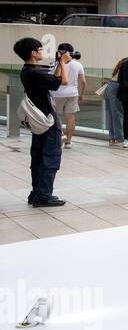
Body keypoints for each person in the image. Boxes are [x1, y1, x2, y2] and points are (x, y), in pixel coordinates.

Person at [14, 37, 69, 207]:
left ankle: (37, 193)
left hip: (39, 121)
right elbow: (63, 82)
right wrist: (64, 63)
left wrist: (59, 64)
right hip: (47, 121)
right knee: (50, 157)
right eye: (39, 50)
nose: (42, 52)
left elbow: (52, 83)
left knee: (38, 157)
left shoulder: (28, 71)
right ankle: (44, 195)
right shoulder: (36, 72)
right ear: (33, 53)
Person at [51, 43, 85, 149]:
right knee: (70, 117)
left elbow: (53, 78)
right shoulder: (78, 65)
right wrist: (81, 94)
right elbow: (83, 81)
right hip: (72, 94)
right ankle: (68, 142)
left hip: (57, 93)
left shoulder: (55, 64)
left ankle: (61, 135)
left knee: (55, 117)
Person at [103, 53, 128, 146]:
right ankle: (118, 138)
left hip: (111, 86)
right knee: (117, 114)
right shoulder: (126, 66)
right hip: (116, 87)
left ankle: (113, 138)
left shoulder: (121, 65)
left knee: (112, 114)